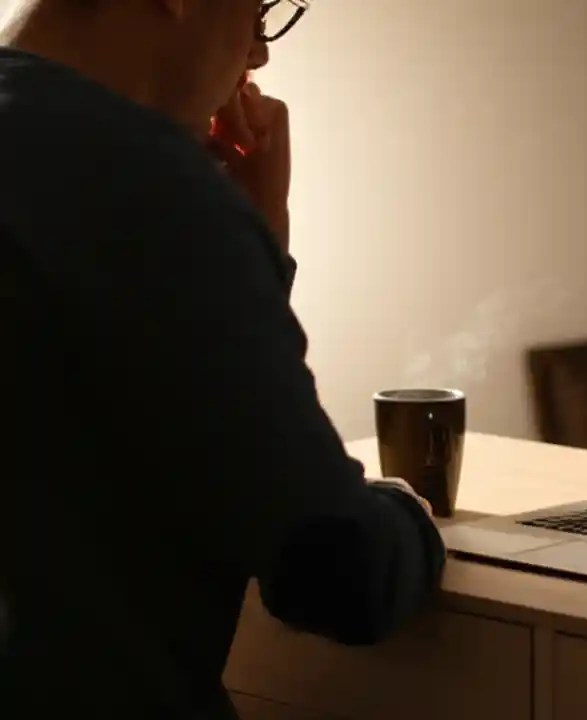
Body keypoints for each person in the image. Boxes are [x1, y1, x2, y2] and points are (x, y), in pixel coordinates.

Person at [0, 1, 447, 717]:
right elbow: (336, 572)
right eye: (256, 12)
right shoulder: (141, 183)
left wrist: (249, 245)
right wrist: (409, 515)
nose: (257, 56)